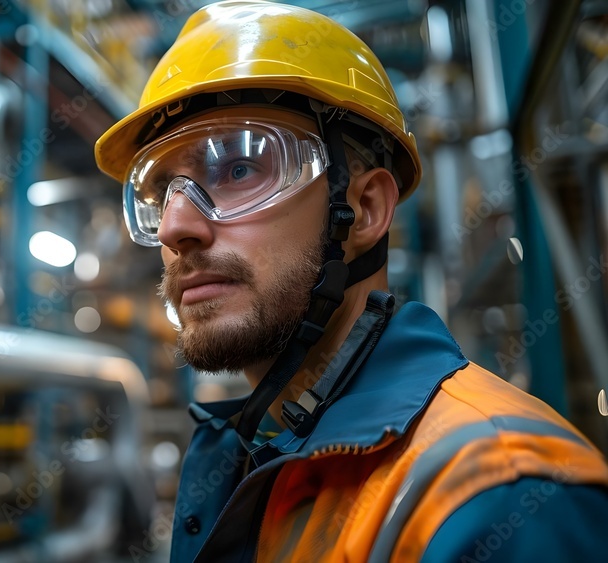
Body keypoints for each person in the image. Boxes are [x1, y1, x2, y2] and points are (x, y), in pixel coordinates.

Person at [94, 2, 608, 562]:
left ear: (363, 209)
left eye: (238, 168)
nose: (175, 227)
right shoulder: (248, 458)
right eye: (162, 190)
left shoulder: (500, 491)